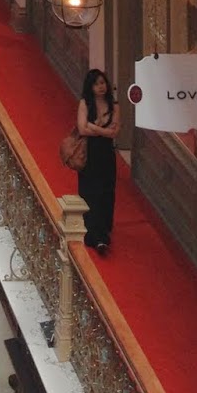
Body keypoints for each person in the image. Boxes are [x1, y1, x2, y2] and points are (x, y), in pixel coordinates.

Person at [76, 68, 120, 254]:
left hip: (106, 154)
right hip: (89, 152)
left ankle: (102, 234)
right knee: (89, 192)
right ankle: (92, 233)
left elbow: (115, 131)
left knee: (105, 192)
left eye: (103, 83)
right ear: (90, 86)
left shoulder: (114, 105)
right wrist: (102, 131)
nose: (101, 87)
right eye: (97, 84)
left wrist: (93, 126)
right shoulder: (85, 103)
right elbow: (82, 129)